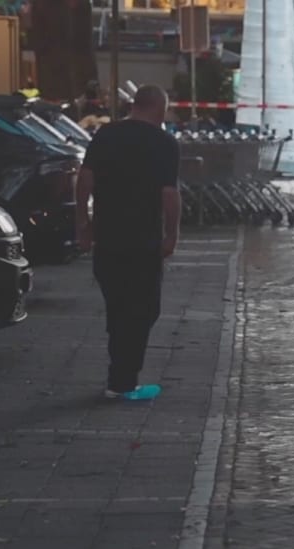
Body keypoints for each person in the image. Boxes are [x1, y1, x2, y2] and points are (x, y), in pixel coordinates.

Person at [75, 85, 181, 400]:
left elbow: (85, 180)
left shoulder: (106, 135)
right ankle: (123, 382)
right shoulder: (164, 143)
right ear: (160, 109)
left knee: (118, 306)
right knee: (144, 309)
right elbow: (169, 194)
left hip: (107, 236)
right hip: (143, 239)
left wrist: (83, 223)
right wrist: (172, 234)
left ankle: (118, 376)